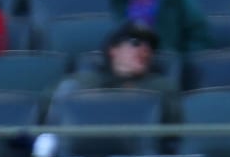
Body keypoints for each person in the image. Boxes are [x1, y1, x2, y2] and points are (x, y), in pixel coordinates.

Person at [53, 22, 182, 124]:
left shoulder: (162, 87)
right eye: (135, 43)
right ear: (113, 50)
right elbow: (52, 106)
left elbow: (174, 128)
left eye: (150, 48)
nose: (145, 50)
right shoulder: (84, 83)